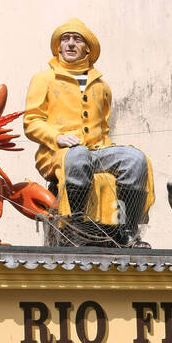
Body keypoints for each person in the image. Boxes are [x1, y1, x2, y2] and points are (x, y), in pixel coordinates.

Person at [24, 17, 154, 245]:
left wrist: (108, 148)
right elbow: (31, 121)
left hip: (97, 150)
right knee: (78, 157)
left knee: (135, 160)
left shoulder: (101, 85)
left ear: (88, 48)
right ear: (58, 46)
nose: (70, 44)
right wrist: (58, 137)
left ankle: (128, 230)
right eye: (65, 40)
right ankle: (74, 223)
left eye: (77, 40)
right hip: (59, 153)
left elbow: (103, 125)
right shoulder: (44, 79)